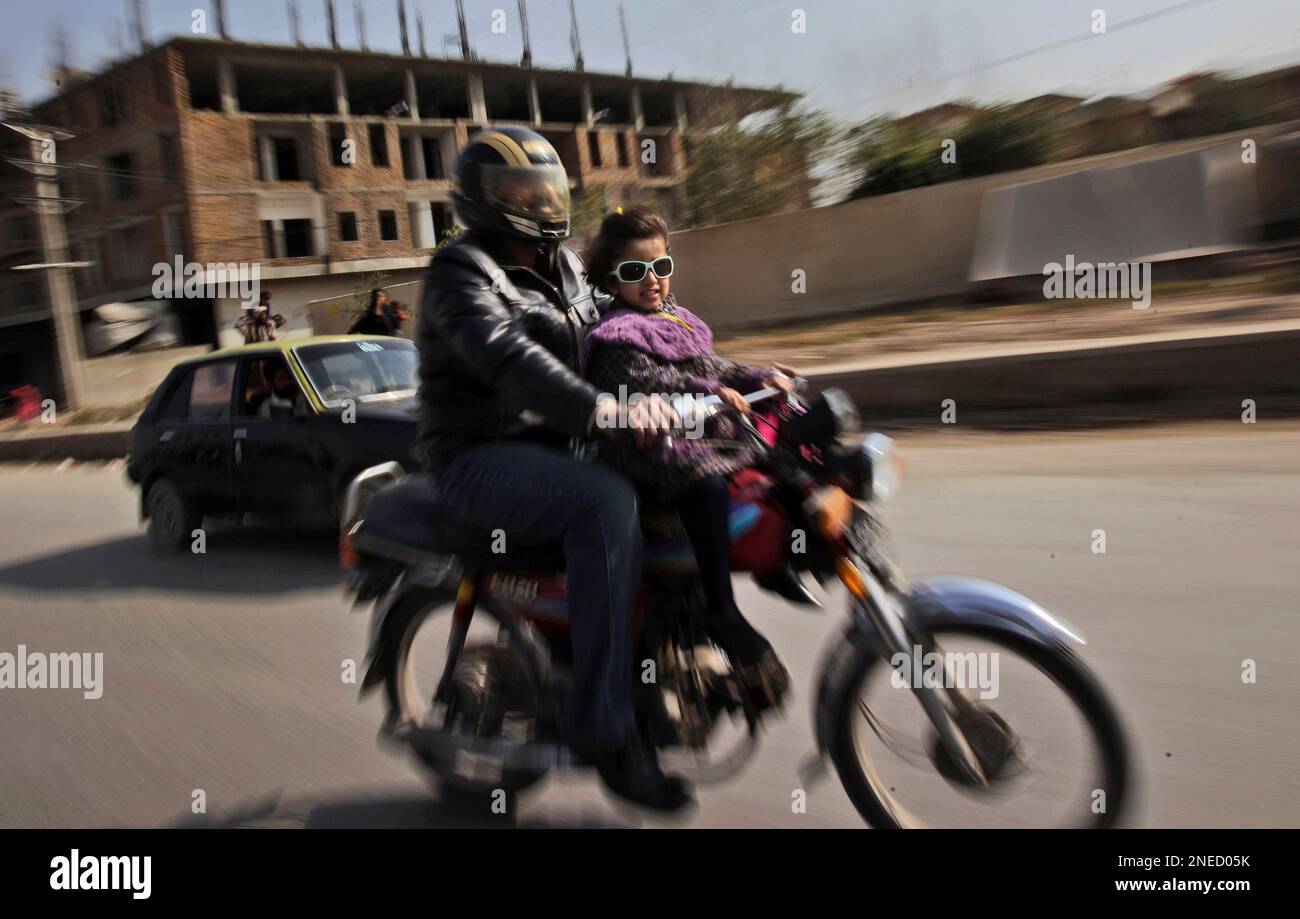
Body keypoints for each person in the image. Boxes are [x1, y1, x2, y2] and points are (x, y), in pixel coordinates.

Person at [415, 126, 691, 811]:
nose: (538, 205)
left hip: (552, 447)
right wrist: (603, 410)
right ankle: (606, 726)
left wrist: (712, 372)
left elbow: (624, 326)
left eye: (546, 191)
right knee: (603, 504)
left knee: (679, 486)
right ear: (479, 202)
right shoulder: (460, 273)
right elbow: (509, 358)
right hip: (477, 457)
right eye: (519, 193)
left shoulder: (567, 266)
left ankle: (665, 667)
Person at [581, 206, 793, 711]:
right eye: (635, 271)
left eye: (661, 266)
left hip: (690, 428)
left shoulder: (675, 317)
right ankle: (722, 610)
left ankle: (784, 551)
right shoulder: (614, 333)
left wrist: (758, 376)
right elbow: (649, 383)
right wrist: (710, 388)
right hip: (643, 445)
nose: (652, 280)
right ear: (613, 279)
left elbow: (714, 364)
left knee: (775, 451)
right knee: (704, 481)